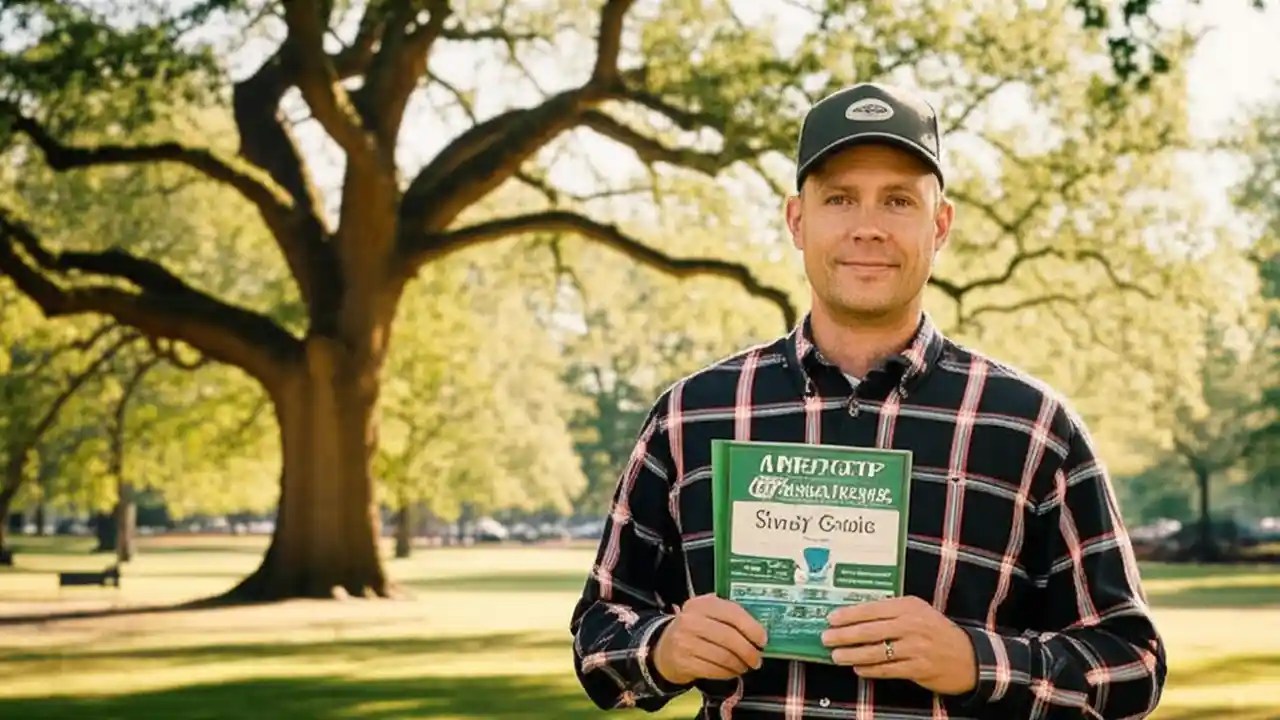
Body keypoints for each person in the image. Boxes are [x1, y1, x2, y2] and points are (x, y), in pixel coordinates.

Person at [569, 82, 1166, 718]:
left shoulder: (1030, 425)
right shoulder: (693, 414)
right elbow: (599, 633)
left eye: (899, 200)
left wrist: (976, 662)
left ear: (941, 225)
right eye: (840, 199)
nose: (869, 228)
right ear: (798, 220)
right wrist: (661, 649)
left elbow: (1132, 663)